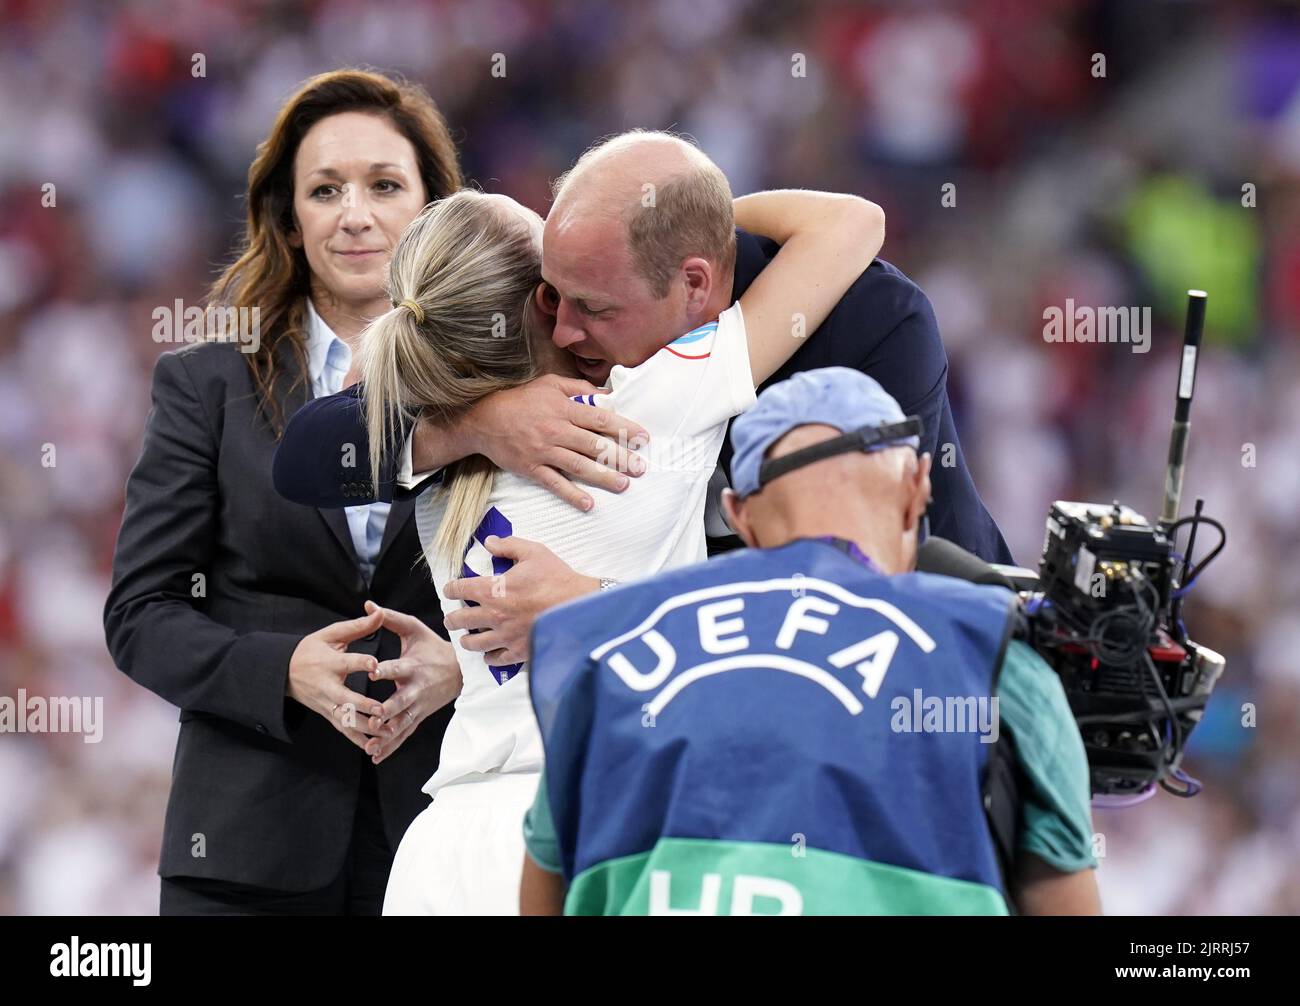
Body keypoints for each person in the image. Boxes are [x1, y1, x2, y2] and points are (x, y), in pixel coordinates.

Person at [344, 170, 885, 913]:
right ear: (541, 301)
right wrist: (678, 224)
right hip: (597, 820)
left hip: (443, 846)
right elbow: (850, 224)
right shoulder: (645, 402)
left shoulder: (434, 459)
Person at [272, 130, 1012, 672]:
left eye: (591, 305)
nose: (563, 328)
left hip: (934, 666)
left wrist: (596, 606)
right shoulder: (554, 376)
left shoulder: (862, 322)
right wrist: (482, 423)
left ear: (693, 282)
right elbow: (309, 457)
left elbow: (852, 591)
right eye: (549, 297)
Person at [520, 368, 1100, 916]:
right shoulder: (989, 646)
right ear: (919, 483)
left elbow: (544, 885)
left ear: (739, 515)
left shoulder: (608, 642)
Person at [103, 69, 466, 915]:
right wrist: (282, 670)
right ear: (289, 220)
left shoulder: (502, 389)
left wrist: (468, 671)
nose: (355, 213)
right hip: (241, 859)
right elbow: (141, 614)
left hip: (443, 843)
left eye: (384, 185)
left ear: (433, 212)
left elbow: (559, 601)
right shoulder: (205, 384)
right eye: (325, 189)